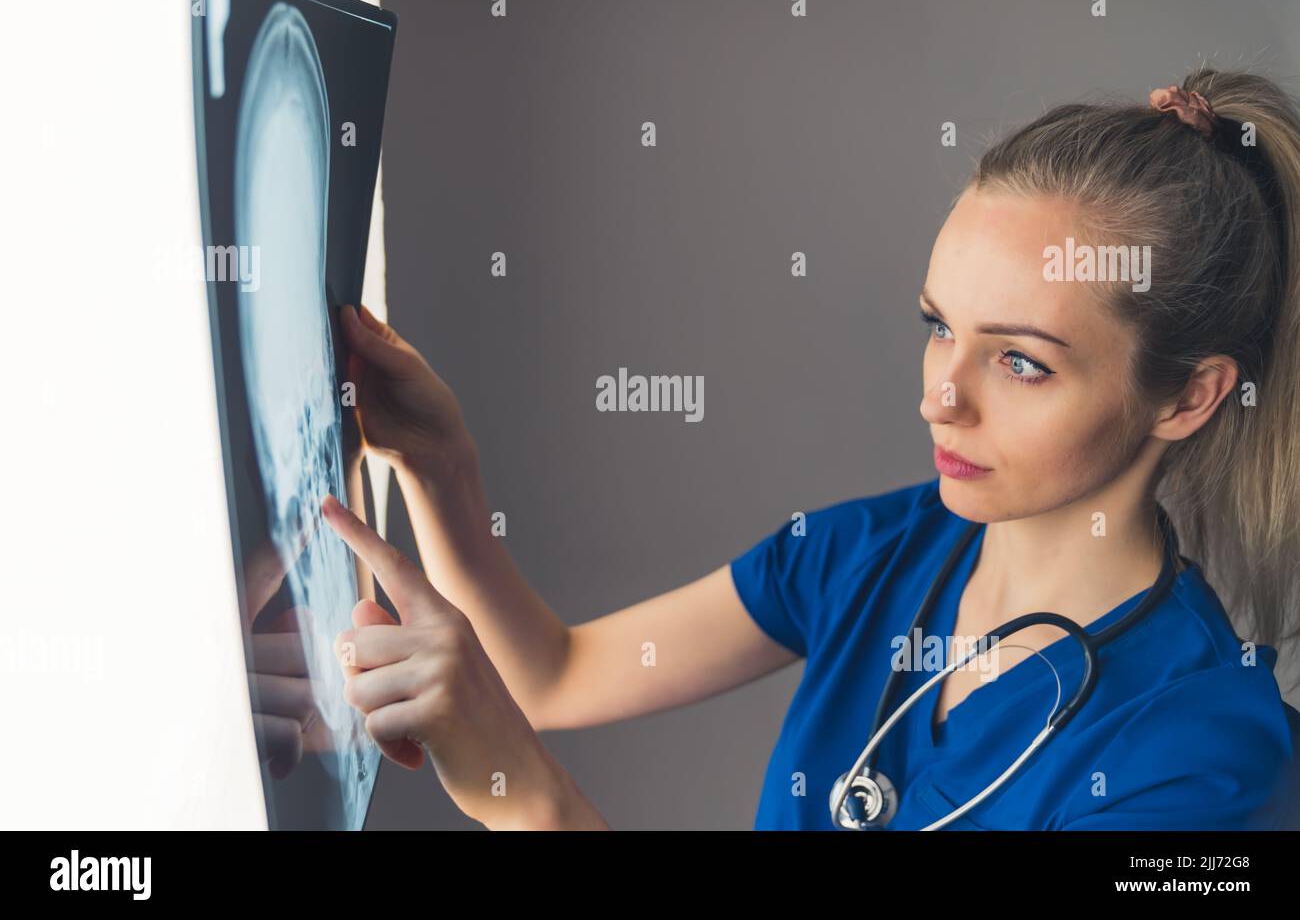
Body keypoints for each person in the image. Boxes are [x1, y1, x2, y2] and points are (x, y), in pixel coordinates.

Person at [320, 66, 1300, 830]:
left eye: (1021, 362)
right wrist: (438, 468)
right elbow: (553, 673)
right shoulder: (868, 553)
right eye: (937, 325)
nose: (938, 395)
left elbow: (523, 728)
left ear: (1187, 394)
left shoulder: (1204, 752)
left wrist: (522, 796)